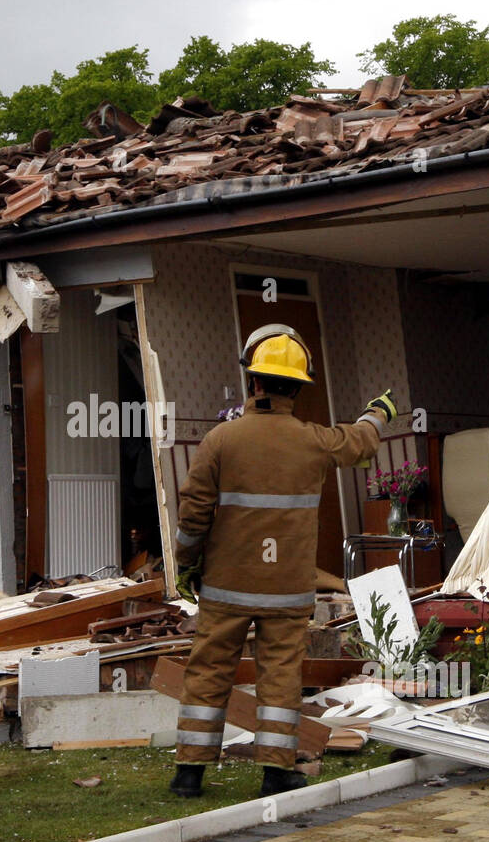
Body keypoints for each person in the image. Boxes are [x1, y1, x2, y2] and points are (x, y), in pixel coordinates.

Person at [169, 324, 397, 798]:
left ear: (254, 382)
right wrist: (379, 412)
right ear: (297, 387)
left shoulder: (220, 441)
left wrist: (187, 563)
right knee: (280, 677)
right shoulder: (314, 441)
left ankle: (189, 774)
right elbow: (361, 442)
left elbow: (192, 515)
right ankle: (275, 773)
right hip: (286, 589)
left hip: (225, 586)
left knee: (208, 671)